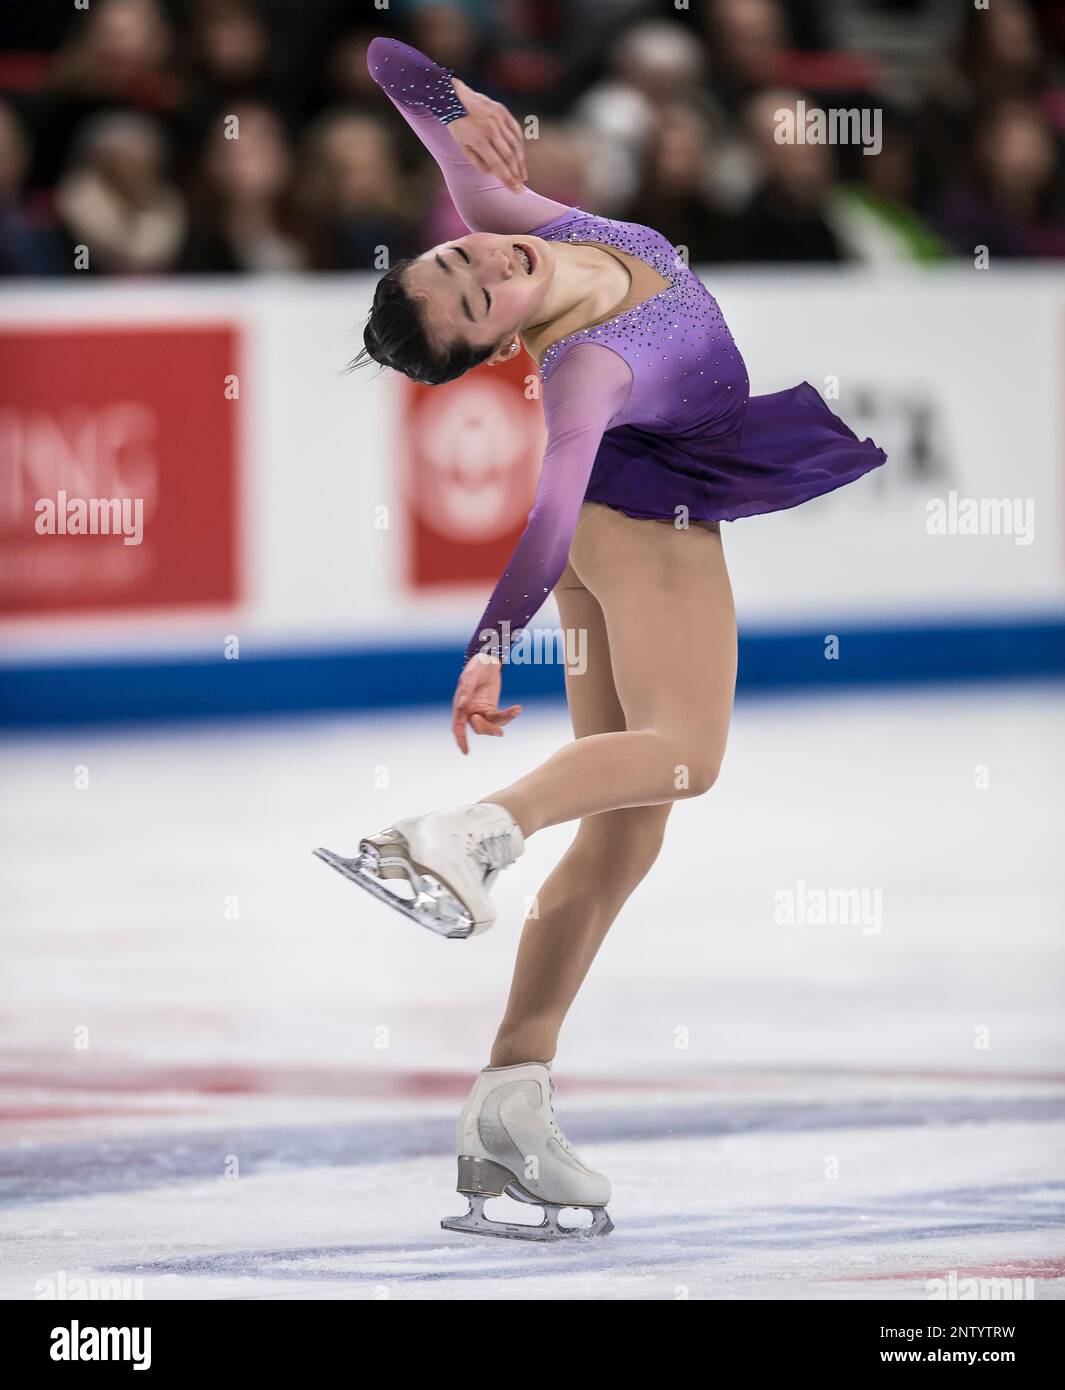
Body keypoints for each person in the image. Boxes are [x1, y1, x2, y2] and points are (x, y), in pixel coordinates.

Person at [315, 37, 887, 1241]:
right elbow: (550, 513)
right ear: (494, 348)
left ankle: (506, 1111)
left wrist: (457, 97)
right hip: (638, 521)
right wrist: (488, 641)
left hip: (624, 524)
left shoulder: (507, 208)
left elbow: (383, 60)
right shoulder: (585, 374)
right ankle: (469, 833)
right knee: (688, 752)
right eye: (480, 301)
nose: (490, 262)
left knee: (626, 840)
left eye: (461, 258)